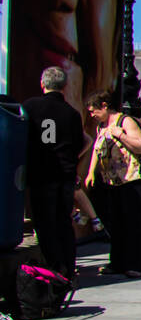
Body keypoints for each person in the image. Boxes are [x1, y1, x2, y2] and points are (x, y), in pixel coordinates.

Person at [22, 67, 87, 280]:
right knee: (63, 222)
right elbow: (83, 141)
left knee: (44, 223)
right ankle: (68, 266)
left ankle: (53, 268)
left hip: (41, 175)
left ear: (43, 84)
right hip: (65, 176)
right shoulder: (71, 113)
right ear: (65, 86)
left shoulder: (30, 107)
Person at [85, 91, 141, 278]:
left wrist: (120, 135)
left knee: (133, 223)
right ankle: (118, 262)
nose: (92, 115)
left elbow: (140, 146)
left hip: (131, 179)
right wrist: (91, 172)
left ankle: (138, 264)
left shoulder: (125, 122)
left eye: (94, 111)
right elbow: (97, 151)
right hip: (111, 182)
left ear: (105, 106)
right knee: (116, 223)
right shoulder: (101, 126)